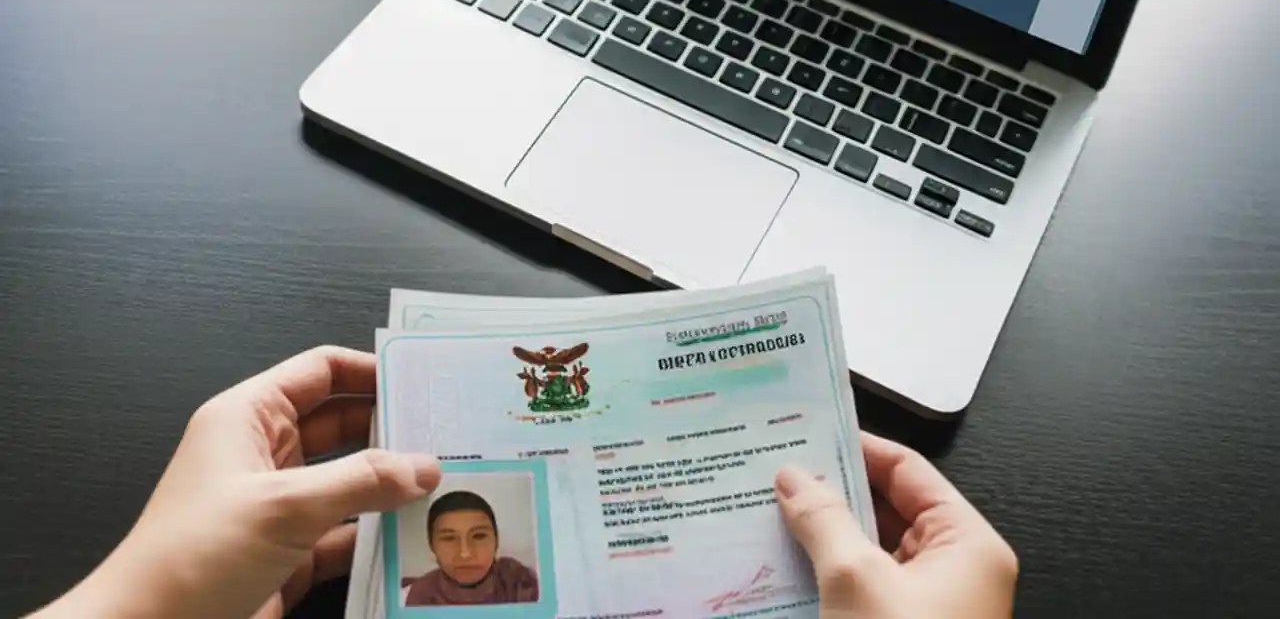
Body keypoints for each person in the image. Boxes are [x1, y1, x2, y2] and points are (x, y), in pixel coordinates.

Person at [26, 347, 1017, 619]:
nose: (460, 551)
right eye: (446, 536)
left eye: (472, 537)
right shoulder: (413, 592)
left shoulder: (511, 580)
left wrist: (142, 602)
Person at [402, 490, 539, 606]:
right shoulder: (421, 597)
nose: (465, 553)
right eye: (449, 538)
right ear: (432, 546)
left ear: (496, 542)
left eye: (478, 536)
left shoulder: (517, 582)